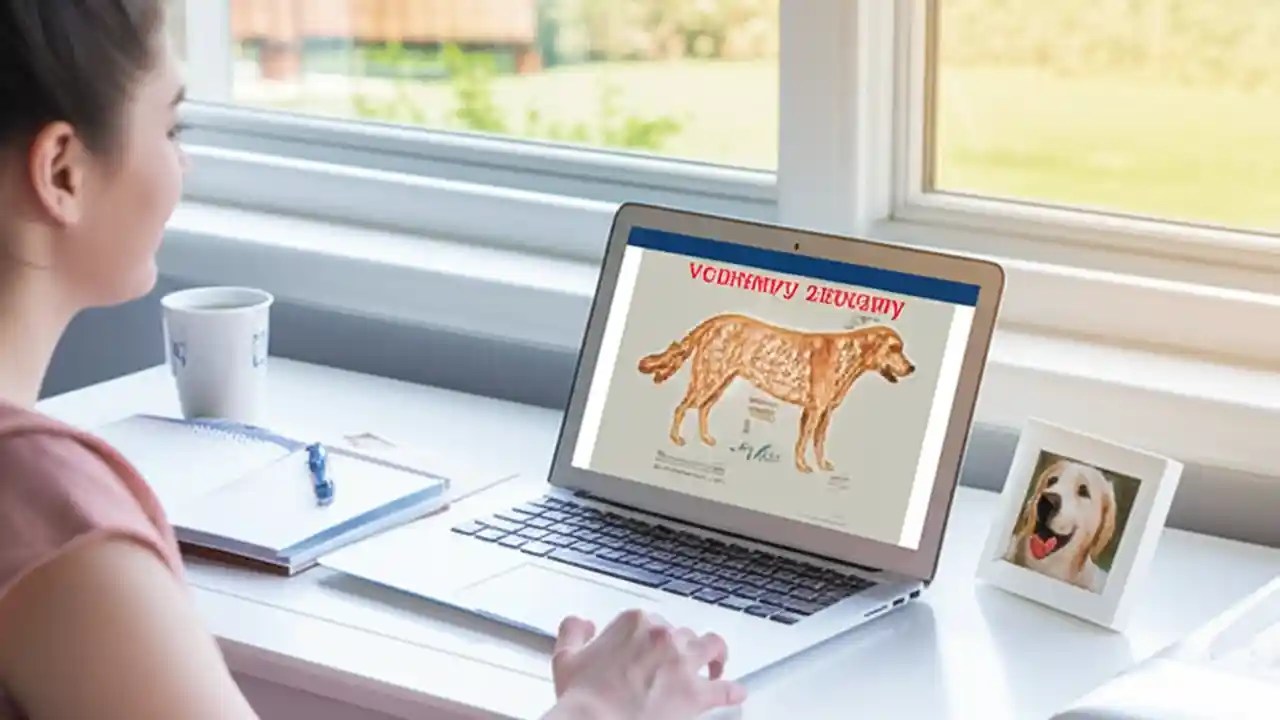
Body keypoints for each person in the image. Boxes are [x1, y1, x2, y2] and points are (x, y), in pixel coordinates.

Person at [0, 3, 747, 719]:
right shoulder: (52, 517)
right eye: (171, 126)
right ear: (62, 171)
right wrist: (601, 705)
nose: (183, 167)